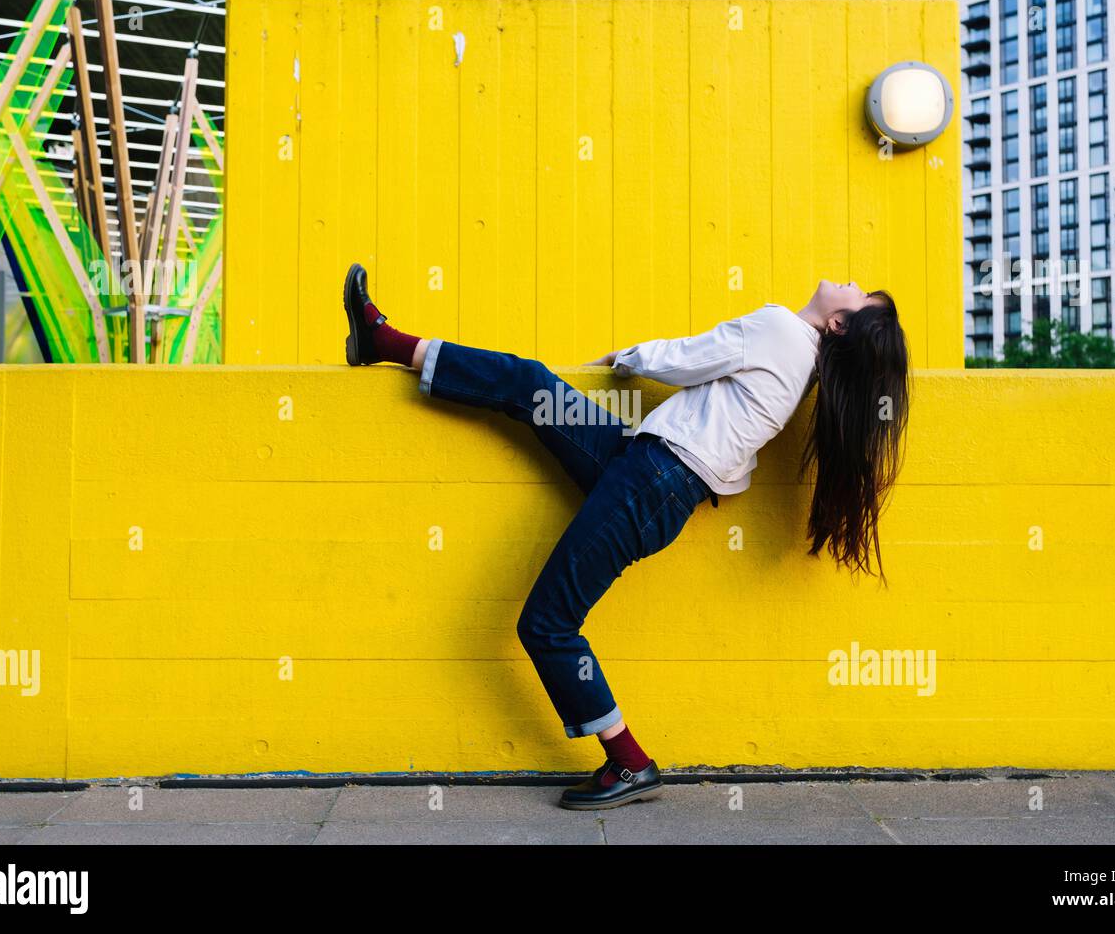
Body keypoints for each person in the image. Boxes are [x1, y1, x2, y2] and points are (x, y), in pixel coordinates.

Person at [342, 263, 911, 810]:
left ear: (838, 324)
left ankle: (629, 761)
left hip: (652, 478)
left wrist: (626, 358)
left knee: (546, 623)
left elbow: (693, 357)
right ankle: (384, 342)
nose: (852, 283)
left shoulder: (783, 328)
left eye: (860, 297)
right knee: (530, 384)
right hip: (643, 463)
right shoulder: (802, 364)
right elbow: (730, 432)